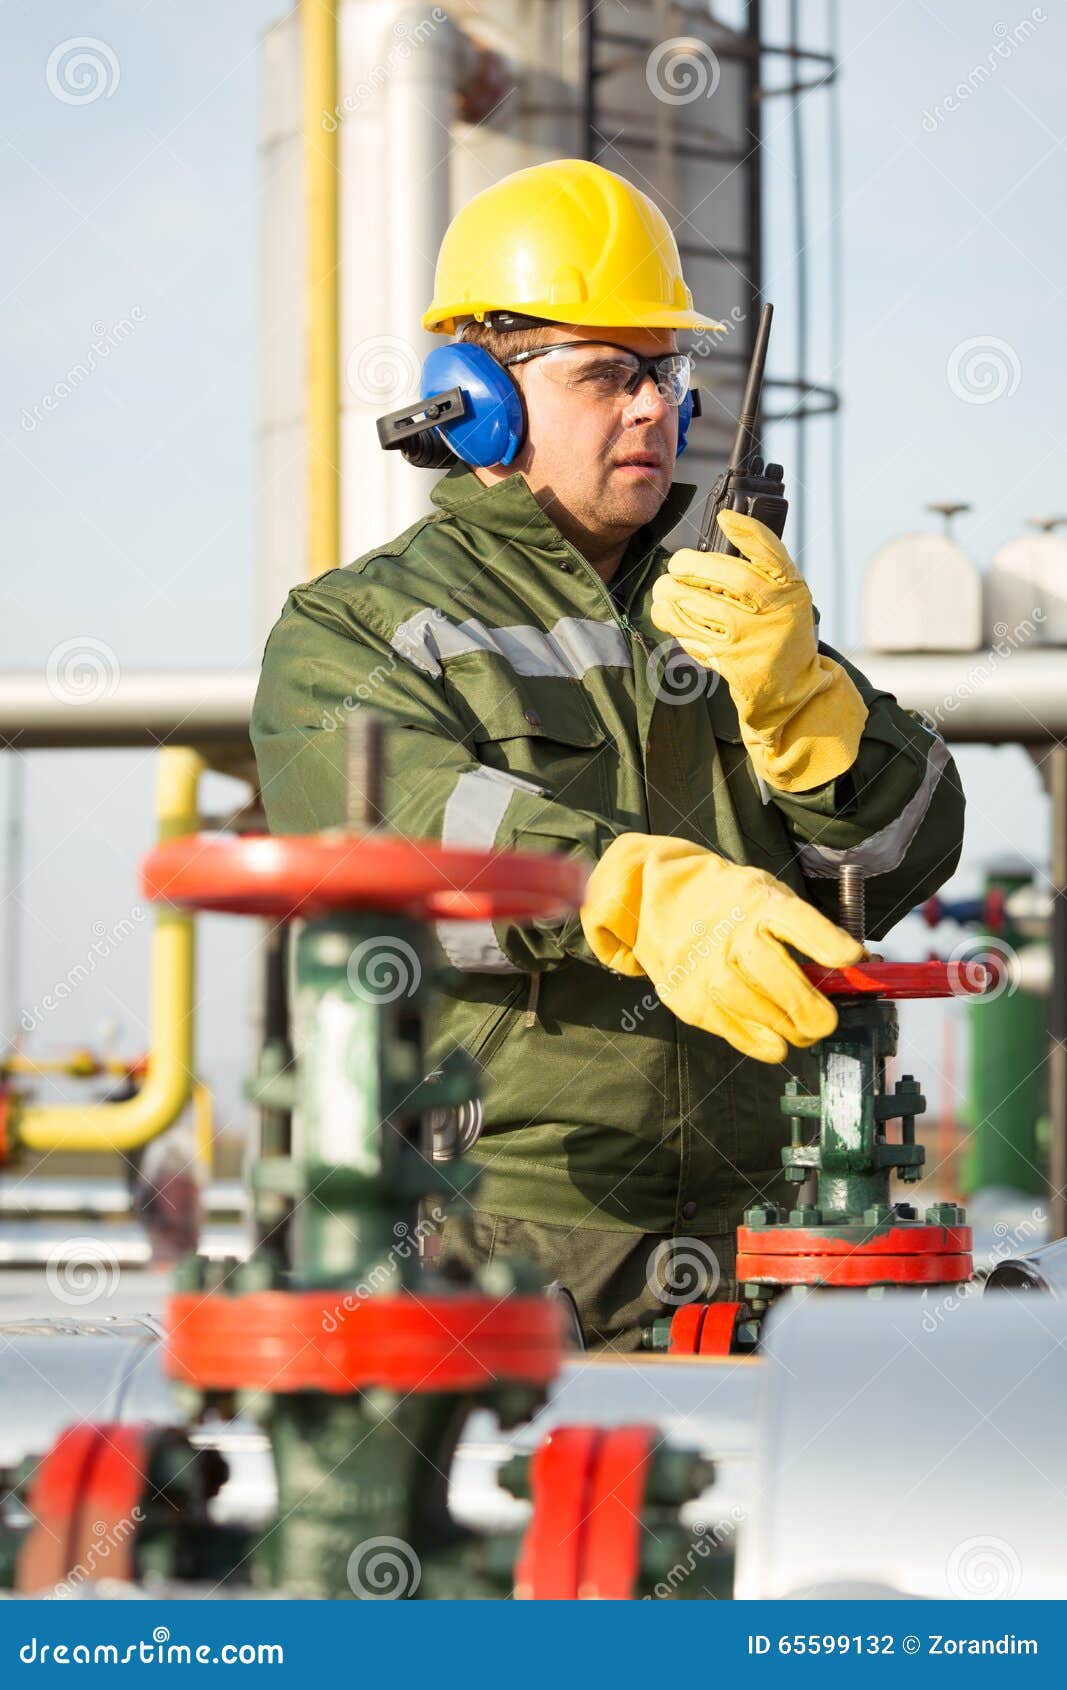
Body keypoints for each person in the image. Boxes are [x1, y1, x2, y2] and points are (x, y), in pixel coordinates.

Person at [251, 158, 964, 1350]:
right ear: (478, 399)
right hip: (496, 1260)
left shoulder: (728, 612)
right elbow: (397, 838)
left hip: (767, 1253)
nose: (655, 408)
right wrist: (629, 889)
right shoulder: (357, 629)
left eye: (666, 373)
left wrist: (807, 706)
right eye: (609, 374)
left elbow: (905, 860)